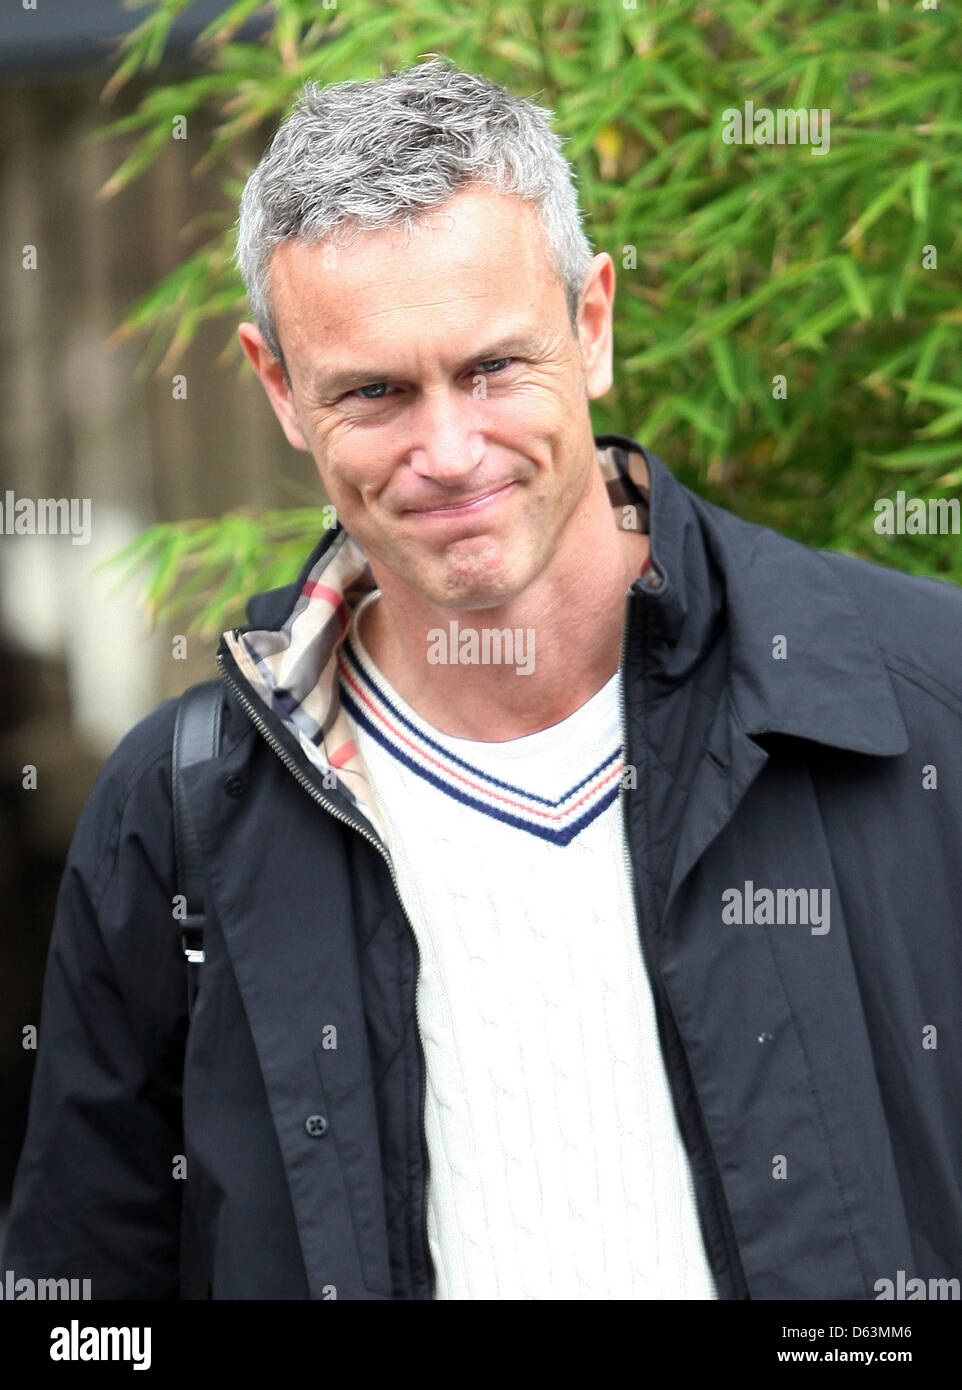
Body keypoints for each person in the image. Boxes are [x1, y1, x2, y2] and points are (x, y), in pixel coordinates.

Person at [4, 59, 961, 1302]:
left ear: (594, 323)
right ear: (278, 388)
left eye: (493, 368)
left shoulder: (915, 706)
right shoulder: (178, 811)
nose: (448, 452)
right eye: (375, 391)